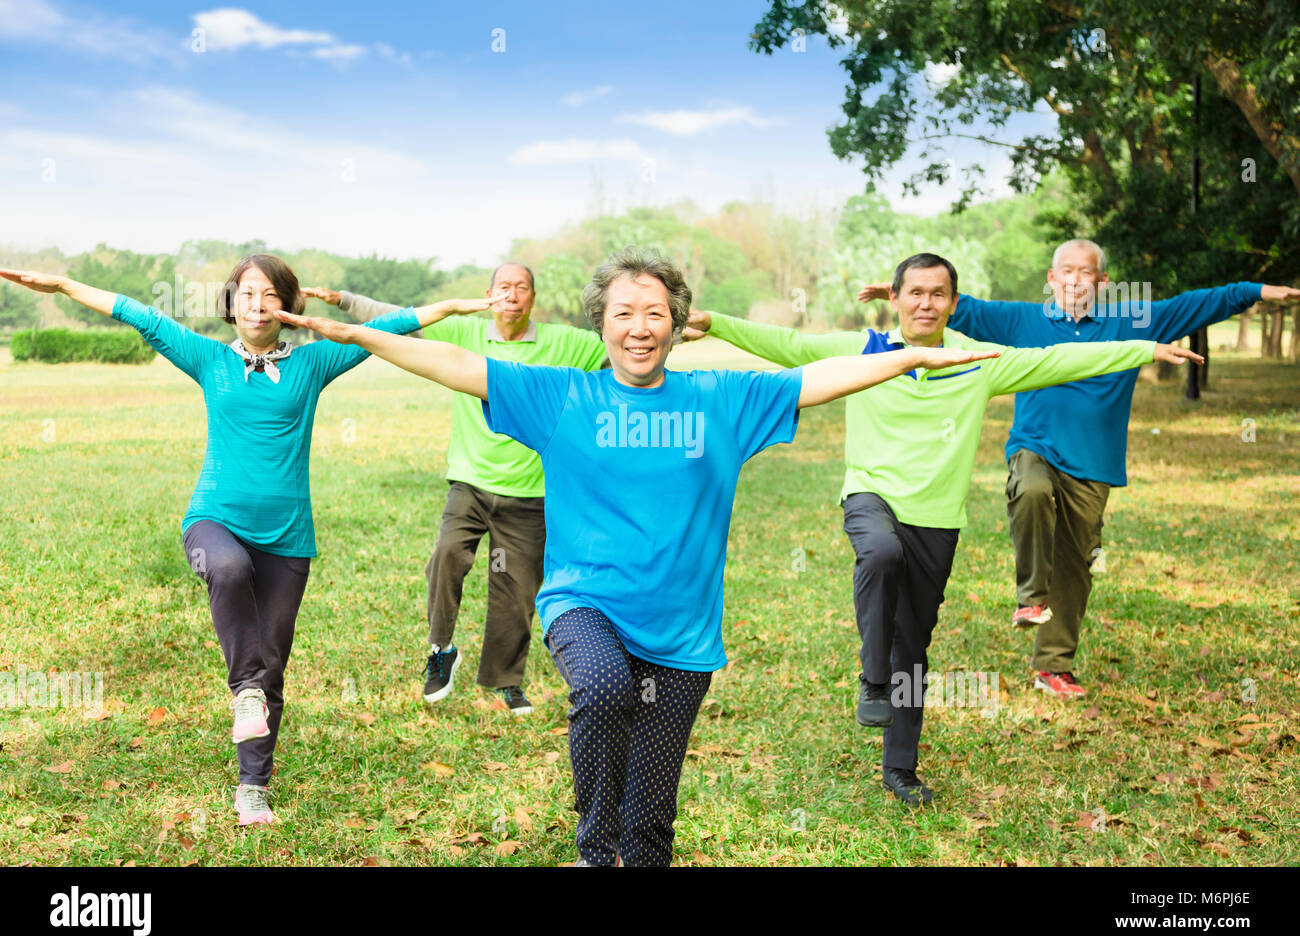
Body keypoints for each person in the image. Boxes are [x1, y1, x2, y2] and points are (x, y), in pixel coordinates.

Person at [274, 246, 996, 863]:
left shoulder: (720, 400)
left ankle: (625, 845)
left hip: (684, 638)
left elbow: (817, 380)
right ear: (602, 324)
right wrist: (356, 332)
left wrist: (914, 359)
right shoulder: (561, 397)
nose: (639, 327)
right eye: (623, 312)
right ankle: (594, 841)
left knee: (649, 825)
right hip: (583, 604)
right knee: (604, 689)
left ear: (677, 325)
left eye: (654, 313)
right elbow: (452, 362)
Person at [688, 252, 1202, 805]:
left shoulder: (977, 361)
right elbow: (787, 346)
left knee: (913, 642)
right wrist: (716, 322)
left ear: (954, 303)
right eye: (915, 292)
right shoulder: (861, 352)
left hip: (937, 519)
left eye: (938, 294)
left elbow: (1062, 359)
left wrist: (1144, 348)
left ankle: (900, 769)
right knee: (880, 554)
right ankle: (872, 679)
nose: (926, 303)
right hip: (871, 495)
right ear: (895, 298)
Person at [0, 258, 481, 826]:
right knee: (226, 571)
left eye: (269, 293)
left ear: (287, 305)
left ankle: (253, 785)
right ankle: (243, 690)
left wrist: (448, 307)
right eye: (246, 293)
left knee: (272, 664)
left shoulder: (314, 363)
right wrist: (61, 284)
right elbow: (138, 314)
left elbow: (388, 327)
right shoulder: (210, 360)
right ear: (232, 303)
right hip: (213, 521)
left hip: (288, 539)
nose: (256, 302)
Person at [858, 239, 1300, 697]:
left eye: (1085, 272)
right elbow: (960, 307)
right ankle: (1030, 595)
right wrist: (902, 290)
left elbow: (1197, 303)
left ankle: (1052, 666)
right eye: (1065, 271)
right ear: (1052, 280)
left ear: (1102, 282)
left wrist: (1255, 290)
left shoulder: (1130, 320)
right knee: (1029, 489)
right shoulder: (1023, 319)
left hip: (1094, 464)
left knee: (1075, 564)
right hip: (1035, 447)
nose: (1074, 280)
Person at [303, 264, 608, 715]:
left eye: (522, 288)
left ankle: (505, 681)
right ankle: (440, 649)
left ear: (532, 299)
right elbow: (399, 317)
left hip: (530, 490)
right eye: (504, 286)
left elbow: (627, 343)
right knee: (447, 554)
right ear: (488, 295)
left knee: (517, 587)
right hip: (470, 481)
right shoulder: (465, 333)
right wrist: (342, 300)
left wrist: (677, 325)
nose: (512, 294)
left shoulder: (566, 342)